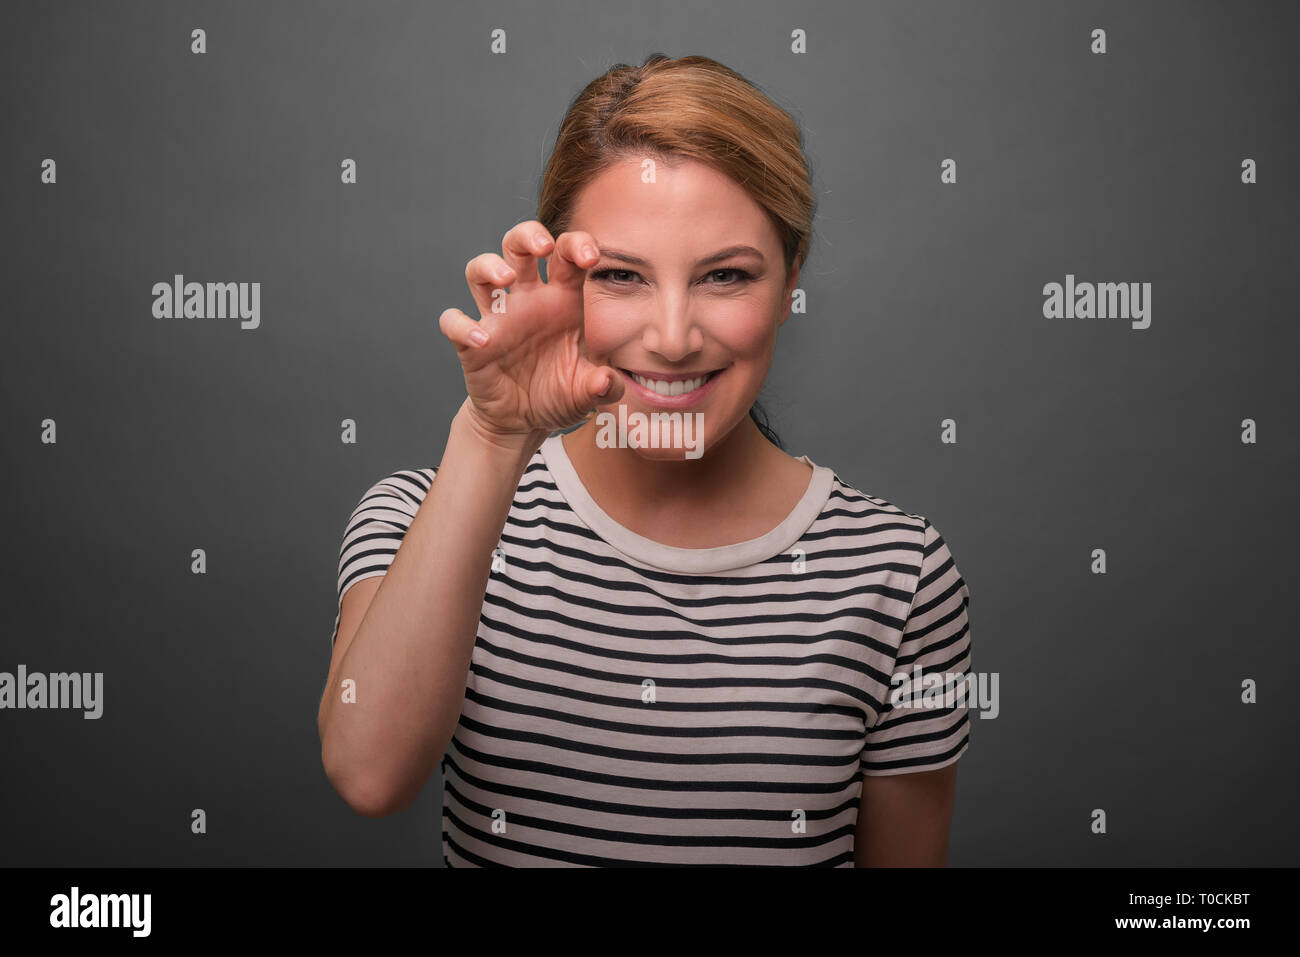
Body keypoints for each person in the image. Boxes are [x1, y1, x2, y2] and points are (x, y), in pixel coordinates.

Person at [318, 53, 973, 867]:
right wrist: (492, 437)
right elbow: (368, 773)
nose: (671, 336)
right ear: (561, 275)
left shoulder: (902, 575)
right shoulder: (421, 515)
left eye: (726, 275)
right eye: (622, 274)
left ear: (791, 281)